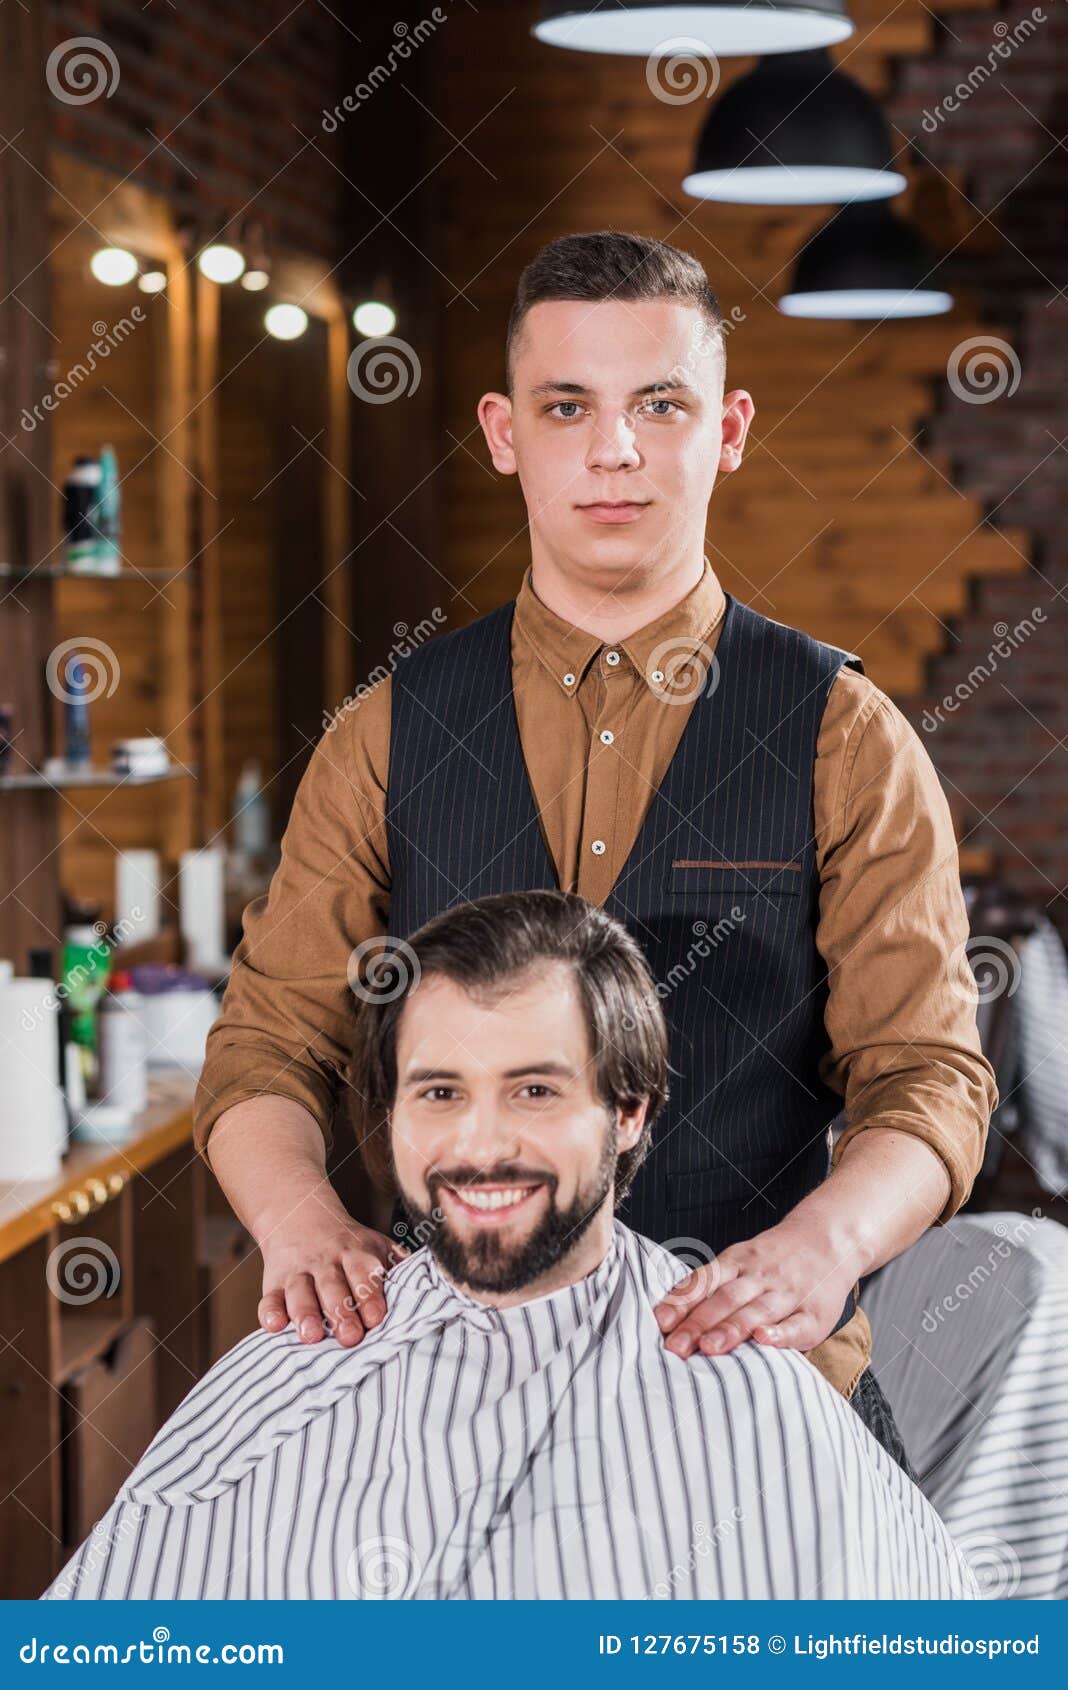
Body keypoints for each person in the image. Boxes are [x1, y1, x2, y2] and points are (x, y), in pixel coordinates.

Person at [192, 229, 997, 1461]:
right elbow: (263, 1045)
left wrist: (824, 1245)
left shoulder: (846, 737)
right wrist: (300, 1219)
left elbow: (930, 1076)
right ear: (507, 433)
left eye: (657, 404)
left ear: (726, 431)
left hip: (758, 1395)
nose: (613, 448)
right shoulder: (388, 733)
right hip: (446, 1393)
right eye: (568, 406)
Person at [44, 893, 977, 1601]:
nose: (480, 1146)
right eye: (440, 1093)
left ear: (628, 1111)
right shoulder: (285, 1384)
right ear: (392, 1114)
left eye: (535, 1091)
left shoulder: (757, 1406)